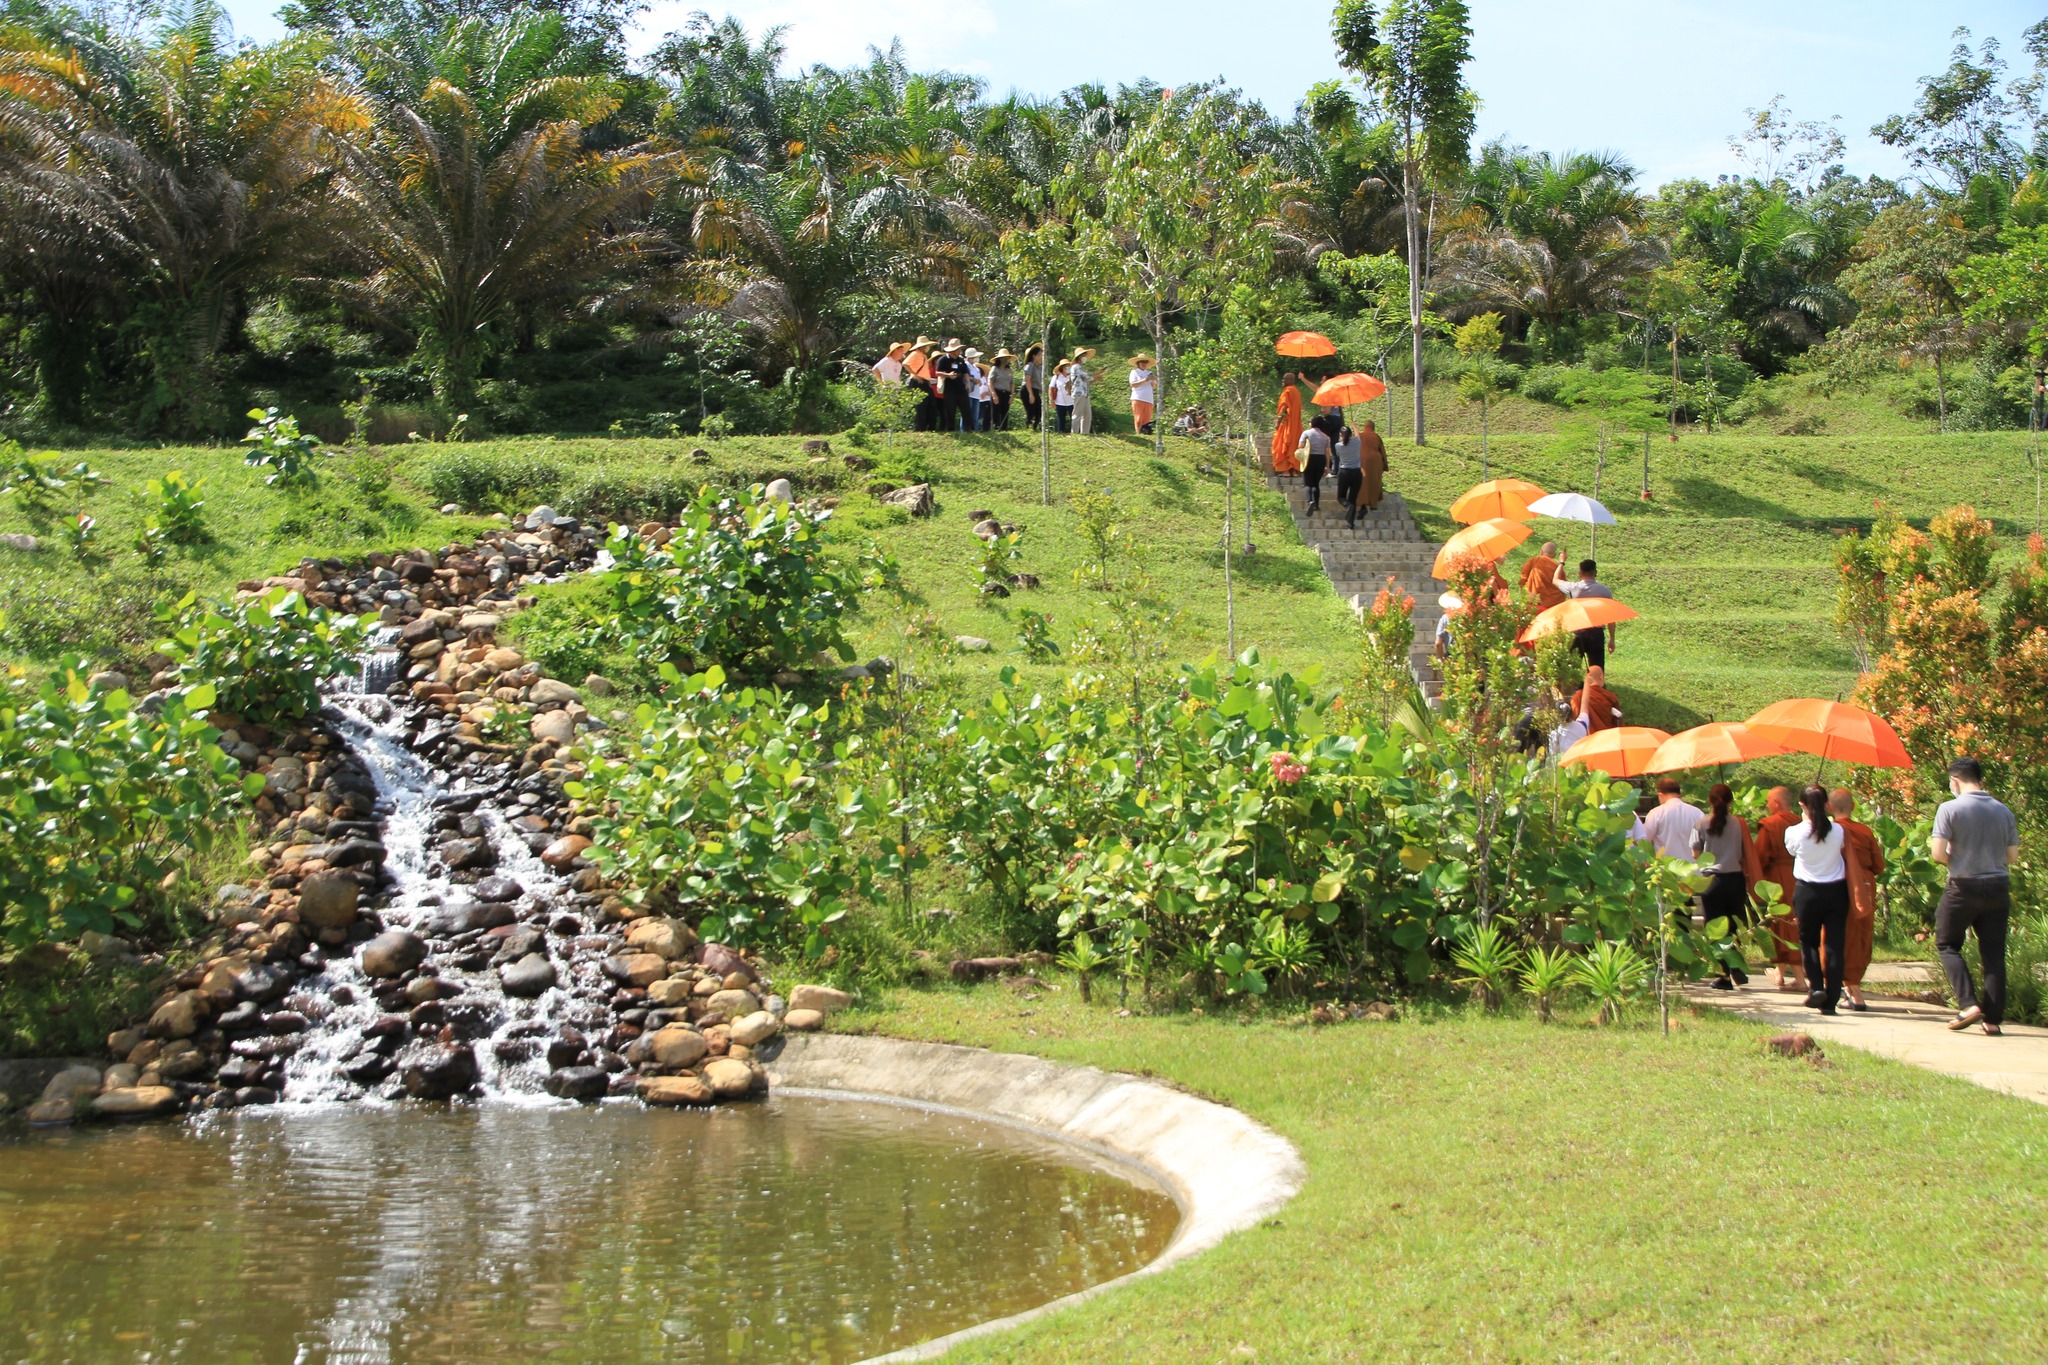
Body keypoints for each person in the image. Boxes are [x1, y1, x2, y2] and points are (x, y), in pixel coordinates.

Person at [1930, 756, 2020, 1036]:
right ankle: (1992, 1020)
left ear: (1954, 780)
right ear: (1980, 779)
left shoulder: (1949, 809)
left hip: (1963, 886)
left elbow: (1937, 853)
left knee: (1947, 944)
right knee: (1993, 953)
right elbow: (2012, 857)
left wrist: (1957, 860)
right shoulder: (2003, 810)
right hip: (1997, 885)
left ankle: (1968, 1004)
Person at [1783, 785, 1850, 1015]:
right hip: (1836, 893)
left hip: (1807, 893)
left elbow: (1792, 851)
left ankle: (1816, 988)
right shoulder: (1839, 831)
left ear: (1802, 805)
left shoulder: (1794, 832)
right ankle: (1831, 999)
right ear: (1827, 805)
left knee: (1809, 942)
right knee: (1834, 946)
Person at [1692, 782, 1762, 989]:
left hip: (1711, 881)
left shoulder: (1701, 823)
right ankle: (1737, 968)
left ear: (1709, 801)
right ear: (1731, 802)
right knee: (1735, 925)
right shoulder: (1739, 823)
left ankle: (1723, 974)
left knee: (1715, 928)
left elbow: (1696, 854)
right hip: (1735, 879)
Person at [1825, 789, 1883, 1010]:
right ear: (1854, 807)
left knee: (1834, 934)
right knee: (1860, 935)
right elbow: (1879, 865)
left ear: (1829, 807)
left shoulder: (1829, 831)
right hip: (1864, 885)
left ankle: (1849, 988)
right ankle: (1853, 986)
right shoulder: (1864, 831)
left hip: (1835, 883)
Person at [1753, 786, 1807, 992]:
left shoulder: (1771, 824)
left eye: (1768, 801)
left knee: (1784, 924)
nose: (1766, 805)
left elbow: (1761, 856)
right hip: (1800, 875)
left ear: (1775, 803)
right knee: (1784, 923)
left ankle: (1800, 978)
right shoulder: (1801, 822)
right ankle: (1780, 973)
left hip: (1779, 878)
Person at [1553, 558, 1617, 669]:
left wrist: (1561, 562)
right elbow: (1610, 617)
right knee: (1597, 668)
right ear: (1595, 573)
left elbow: (1555, 579)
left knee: (1572, 668)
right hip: (1596, 633)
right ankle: (1596, 686)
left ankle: (1576, 686)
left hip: (1578, 631)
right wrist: (1612, 639)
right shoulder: (1605, 591)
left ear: (1580, 574)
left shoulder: (1573, 588)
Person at [1642, 777, 1706, 861]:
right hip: (1694, 869)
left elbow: (1644, 841)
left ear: (1660, 795)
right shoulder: (1698, 813)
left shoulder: (1656, 813)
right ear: (1680, 794)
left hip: (1667, 870)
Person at [1568, 664, 1621, 733]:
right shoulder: (1610, 696)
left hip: (1587, 739)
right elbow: (1617, 721)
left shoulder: (1577, 697)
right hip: (1607, 737)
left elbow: (1575, 719)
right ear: (1601, 677)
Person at [1271, 373, 1305, 475]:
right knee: (1293, 445)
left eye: (1284, 379)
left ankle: (1285, 470)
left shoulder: (1288, 390)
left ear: (1290, 380)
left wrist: (1278, 420)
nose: (1282, 381)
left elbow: (1285, 406)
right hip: (1296, 424)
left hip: (1287, 423)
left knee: (1282, 444)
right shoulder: (1297, 392)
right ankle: (1294, 470)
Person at [1520, 540, 1568, 610]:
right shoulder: (1557, 567)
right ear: (1554, 555)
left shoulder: (1533, 562)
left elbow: (1523, 578)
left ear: (1541, 552)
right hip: (1552, 604)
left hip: (1534, 601)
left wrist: (1526, 589)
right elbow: (1562, 585)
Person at [932, 339, 967, 433]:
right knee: (950, 411)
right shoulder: (943, 359)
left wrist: (968, 383)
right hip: (949, 389)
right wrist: (948, 375)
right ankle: (950, 430)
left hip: (961, 388)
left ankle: (968, 430)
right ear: (953, 350)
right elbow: (937, 372)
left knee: (966, 409)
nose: (960, 351)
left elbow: (965, 372)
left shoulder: (961, 360)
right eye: (958, 349)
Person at [906, 336, 939, 431]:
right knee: (921, 406)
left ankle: (929, 427)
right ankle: (920, 428)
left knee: (931, 405)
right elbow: (905, 364)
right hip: (918, 382)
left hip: (925, 382)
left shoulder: (923, 355)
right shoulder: (915, 354)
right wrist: (915, 375)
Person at [1300, 420, 1332, 514]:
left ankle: (1310, 501)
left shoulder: (1306, 433)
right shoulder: (1326, 437)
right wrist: (1327, 466)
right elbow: (1327, 452)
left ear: (1312, 424)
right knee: (1316, 484)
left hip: (1309, 458)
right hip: (1321, 459)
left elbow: (1300, 446)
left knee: (1307, 483)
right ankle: (1317, 505)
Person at [1334, 425, 1363, 526]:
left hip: (1344, 473)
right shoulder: (1357, 443)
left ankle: (1347, 506)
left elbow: (1338, 455)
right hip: (1357, 473)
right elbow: (1358, 435)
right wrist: (1354, 426)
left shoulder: (1338, 445)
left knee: (1341, 497)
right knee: (1353, 498)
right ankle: (1351, 523)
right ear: (1350, 435)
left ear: (1341, 435)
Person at [1358, 419, 1388, 512]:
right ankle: (1373, 504)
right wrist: (1385, 465)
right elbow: (1382, 451)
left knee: (1363, 481)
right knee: (1375, 481)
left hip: (1362, 460)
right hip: (1376, 461)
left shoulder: (1360, 435)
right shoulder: (1376, 437)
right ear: (1373, 428)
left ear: (1365, 427)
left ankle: (1362, 501)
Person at [964, 348, 992, 431]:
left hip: (976, 394)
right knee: (966, 414)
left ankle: (975, 431)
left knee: (975, 417)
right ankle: (965, 431)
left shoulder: (976, 368)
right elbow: (963, 376)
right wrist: (973, 380)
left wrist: (978, 382)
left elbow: (979, 381)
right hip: (968, 393)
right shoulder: (965, 365)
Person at [1129, 354, 1157, 434]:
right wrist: (1145, 380)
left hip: (1149, 398)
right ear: (1138, 363)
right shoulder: (1134, 372)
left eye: (1145, 362)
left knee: (1146, 419)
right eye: (1142, 362)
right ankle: (1138, 433)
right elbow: (1133, 384)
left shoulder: (1150, 372)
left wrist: (1154, 380)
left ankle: (1144, 433)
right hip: (1138, 397)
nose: (1144, 364)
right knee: (1138, 418)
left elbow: (1153, 386)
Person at [1070, 347, 1096, 434]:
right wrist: (1096, 373)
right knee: (1077, 414)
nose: (1085, 357)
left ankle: (1085, 433)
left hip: (1085, 393)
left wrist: (1096, 379)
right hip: (1078, 393)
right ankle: (1074, 433)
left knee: (1087, 415)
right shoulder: (1075, 367)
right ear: (1079, 357)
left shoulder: (1081, 367)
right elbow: (1085, 376)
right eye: (1084, 355)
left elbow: (1087, 382)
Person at [989, 350, 1015, 431]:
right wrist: (993, 394)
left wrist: (1012, 395)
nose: (1007, 360)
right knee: (996, 412)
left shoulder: (1009, 370)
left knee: (1005, 411)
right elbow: (990, 381)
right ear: (1000, 359)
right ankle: (996, 428)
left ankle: (1004, 429)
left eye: (1008, 358)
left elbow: (1012, 383)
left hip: (1006, 393)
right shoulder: (995, 369)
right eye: (1005, 358)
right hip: (997, 392)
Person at [1020, 345, 1044, 431]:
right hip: (1028, 390)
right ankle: (1029, 429)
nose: (1042, 357)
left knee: (1038, 412)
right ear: (1034, 356)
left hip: (1035, 390)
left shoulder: (1040, 367)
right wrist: (1030, 394)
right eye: (1040, 355)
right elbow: (1028, 380)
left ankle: (1035, 429)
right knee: (1030, 412)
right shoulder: (1030, 365)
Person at [1050, 358, 1075, 434]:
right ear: (1062, 368)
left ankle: (1075, 433)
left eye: (1068, 366)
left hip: (1072, 401)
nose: (1067, 368)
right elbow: (1051, 388)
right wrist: (1051, 400)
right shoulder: (1056, 377)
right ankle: (1061, 434)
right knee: (1061, 420)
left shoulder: (1072, 376)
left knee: (1074, 419)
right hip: (1060, 402)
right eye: (1065, 366)